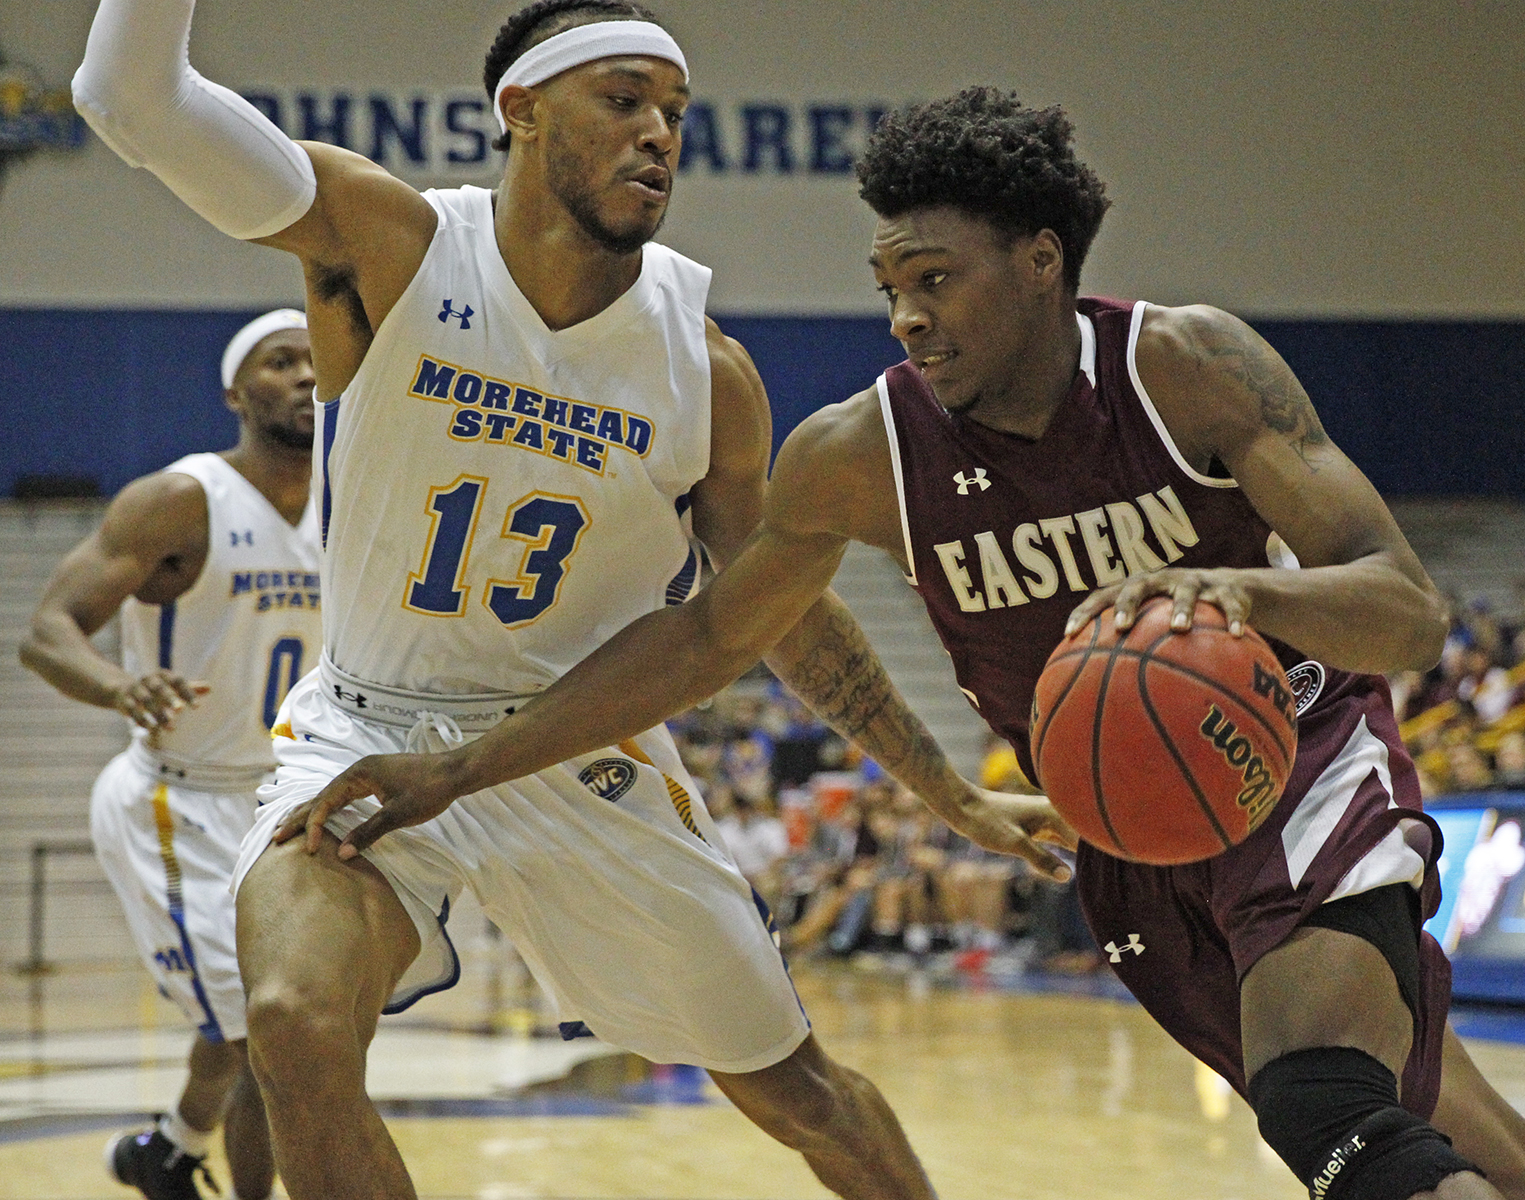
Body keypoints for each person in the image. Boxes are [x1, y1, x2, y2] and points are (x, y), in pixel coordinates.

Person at [289, 89, 1525, 1199]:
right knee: (1489, 1175)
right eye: (888, 286)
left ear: (1042, 260)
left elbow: (1407, 608)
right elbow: (708, 639)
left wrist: (1237, 597)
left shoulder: (1184, 369)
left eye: (937, 279)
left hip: (1296, 765)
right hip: (1134, 834)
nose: (906, 315)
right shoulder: (862, 453)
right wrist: (462, 767)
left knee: (1324, 1109)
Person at [70, 5, 1068, 1198]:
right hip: (369, 726)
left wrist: (945, 789)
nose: (660, 135)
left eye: (675, 113)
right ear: (524, 109)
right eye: (625, 99)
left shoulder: (706, 370)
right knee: (291, 1020)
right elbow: (130, 99)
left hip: (579, 748)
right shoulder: (390, 243)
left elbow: (782, 613)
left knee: (796, 1093)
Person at [19, 310, 317, 1200]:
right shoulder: (181, 500)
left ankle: (172, 1149)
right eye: (280, 362)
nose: (306, 376)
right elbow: (48, 630)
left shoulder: (359, 498)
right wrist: (119, 687)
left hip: (286, 797)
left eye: (316, 360)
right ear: (235, 393)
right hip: (175, 802)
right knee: (263, 1032)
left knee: (283, 1023)